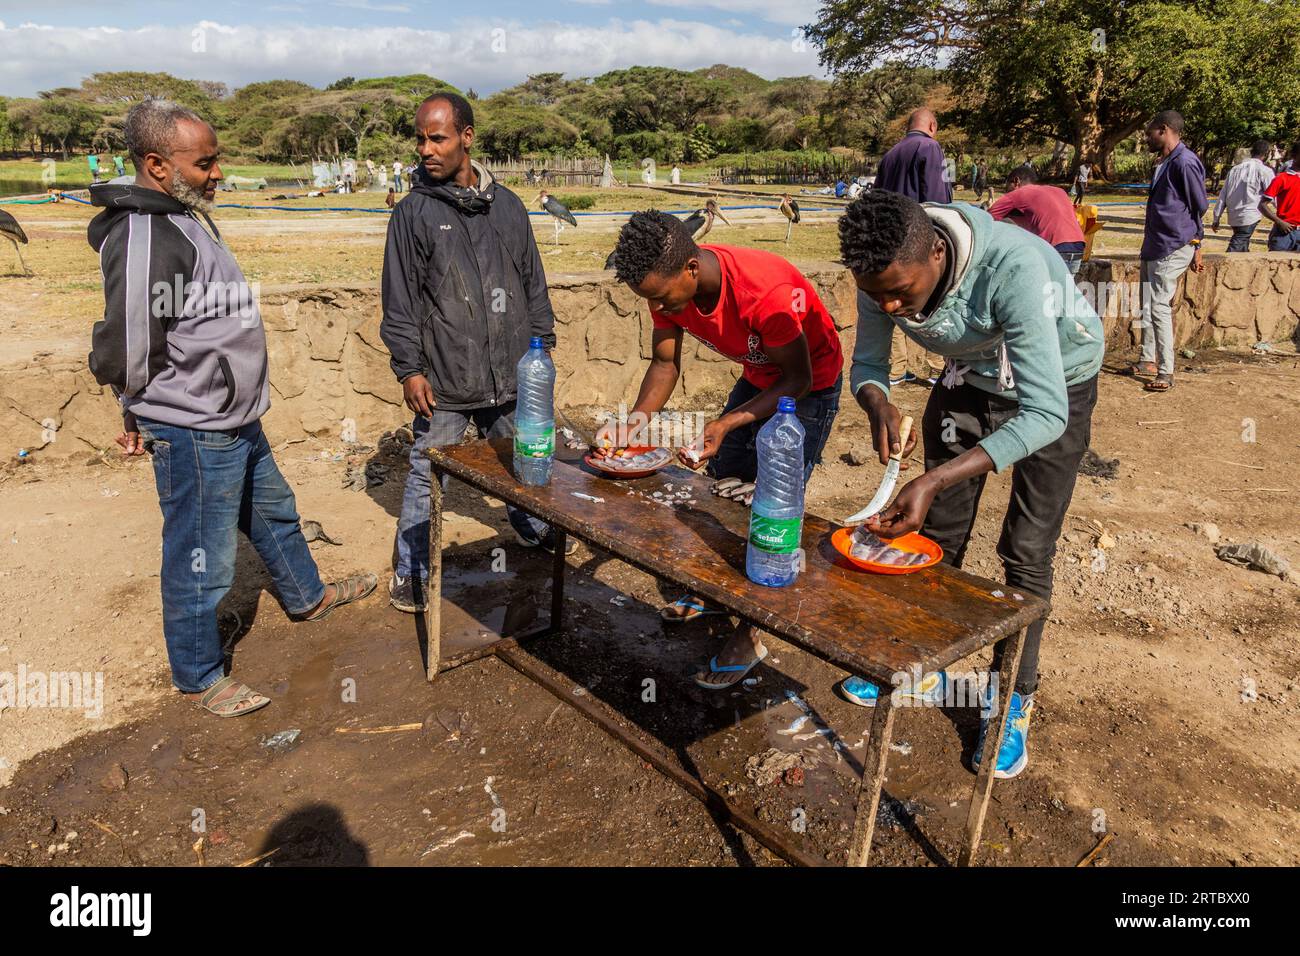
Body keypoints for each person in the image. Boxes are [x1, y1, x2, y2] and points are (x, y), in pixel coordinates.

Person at [87, 100, 376, 718]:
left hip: (231, 416)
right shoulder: (145, 234)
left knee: (272, 511)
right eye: (206, 163)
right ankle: (199, 675)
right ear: (158, 164)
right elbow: (129, 344)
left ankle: (307, 597)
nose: (218, 173)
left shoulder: (184, 215)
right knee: (202, 554)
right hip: (193, 426)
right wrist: (136, 408)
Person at [837, 189, 1103, 779]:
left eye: (901, 293)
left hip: (1056, 387)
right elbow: (869, 366)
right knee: (938, 534)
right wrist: (877, 403)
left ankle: (1011, 700)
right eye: (878, 294)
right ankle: (922, 667)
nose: (890, 305)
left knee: (1026, 551)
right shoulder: (881, 268)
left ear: (938, 251)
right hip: (971, 380)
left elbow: (1045, 413)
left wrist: (934, 476)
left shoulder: (1015, 268)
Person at [599, 210, 844, 688]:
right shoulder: (664, 288)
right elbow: (665, 365)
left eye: (662, 298)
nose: (660, 309)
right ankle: (715, 593)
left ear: (691, 269)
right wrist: (633, 424)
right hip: (758, 380)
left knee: (769, 508)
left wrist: (727, 421)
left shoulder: (762, 291)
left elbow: (799, 379)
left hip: (808, 391)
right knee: (720, 494)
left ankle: (752, 634)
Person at [381, 92, 570, 615]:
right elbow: (399, 301)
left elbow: (534, 283)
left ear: (466, 137)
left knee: (526, 457)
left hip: (512, 373)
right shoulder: (414, 213)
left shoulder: (507, 206)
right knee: (426, 470)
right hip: (444, 378)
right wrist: (410, 369)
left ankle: (533, 528)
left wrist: (542, 347)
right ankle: (412, 569)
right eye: (420, 138)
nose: (425, 148)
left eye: (436, 137)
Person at [873, 107, 949, 388]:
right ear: (932, 125)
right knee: (936, 302)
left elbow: (877, 199)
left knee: (894, 304)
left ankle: (896, 369)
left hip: (891, 243)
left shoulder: (890, 155)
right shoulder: (930, 148)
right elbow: (938, 200)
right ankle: (936, 367)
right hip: (920, 241)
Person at [1134, 110, 1207, 393]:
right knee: (1148, 305)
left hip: (1172, 244)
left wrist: (1196, 243)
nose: (1147, 137)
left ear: (1163, 130)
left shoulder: (1185, 162)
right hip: (1155, 243)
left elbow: (1199, 205)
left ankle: (1166, 371)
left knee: (1159, 306)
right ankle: (1146, 359)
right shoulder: (1165, 162)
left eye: (1149, 131)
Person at [989, 164, 1087, 273]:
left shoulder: (1018, 193)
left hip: (1055, 249)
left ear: (1016, 181)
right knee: (1065, 289)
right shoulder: (1059, 191)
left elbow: (987, 218)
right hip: (1078, 247)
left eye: (1007, 187)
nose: (1006, 192)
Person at [1213, 140, 1274, 252]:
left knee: (1242, 243)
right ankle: (1226, 265)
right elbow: (1273, 194)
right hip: (1250, 215)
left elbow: (1223, 195)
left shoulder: (1234, 169)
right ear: (1266, 154)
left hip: (1233, 215)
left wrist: (1216, 217)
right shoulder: (1264, 171)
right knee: (1237, 244)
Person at [1260, 141, 1300, 251]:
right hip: (1284, 234)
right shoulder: (1281, 178)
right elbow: (1262, 205)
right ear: (1294, 156)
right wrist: (1279, 222)